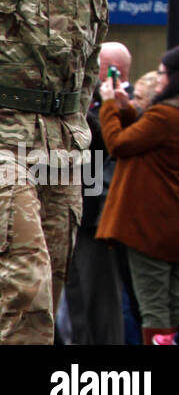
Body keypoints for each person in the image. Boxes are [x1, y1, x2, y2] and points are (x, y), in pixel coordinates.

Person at [0, 0, 125, 345]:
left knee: (48, 283)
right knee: (22, 280)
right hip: (3, 129)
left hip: (63, 137)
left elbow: (91, 42)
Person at [96, 46, 179, 344]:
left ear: (175, 77)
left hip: (147, 227)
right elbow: (144, 138)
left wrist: (109, 104)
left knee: (152, 307)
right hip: (177, 225)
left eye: (162, 73)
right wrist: (126, 109)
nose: (159, 79)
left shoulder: (165, 116)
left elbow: (119, 145)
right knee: (173, 305)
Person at [61, 42, 132, 345]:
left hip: (97, 215)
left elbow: (107, 146)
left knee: (94, 298)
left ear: (109, 68)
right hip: (83, 208)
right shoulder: (98, 102)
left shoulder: (120, 105)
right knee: (80, 296)